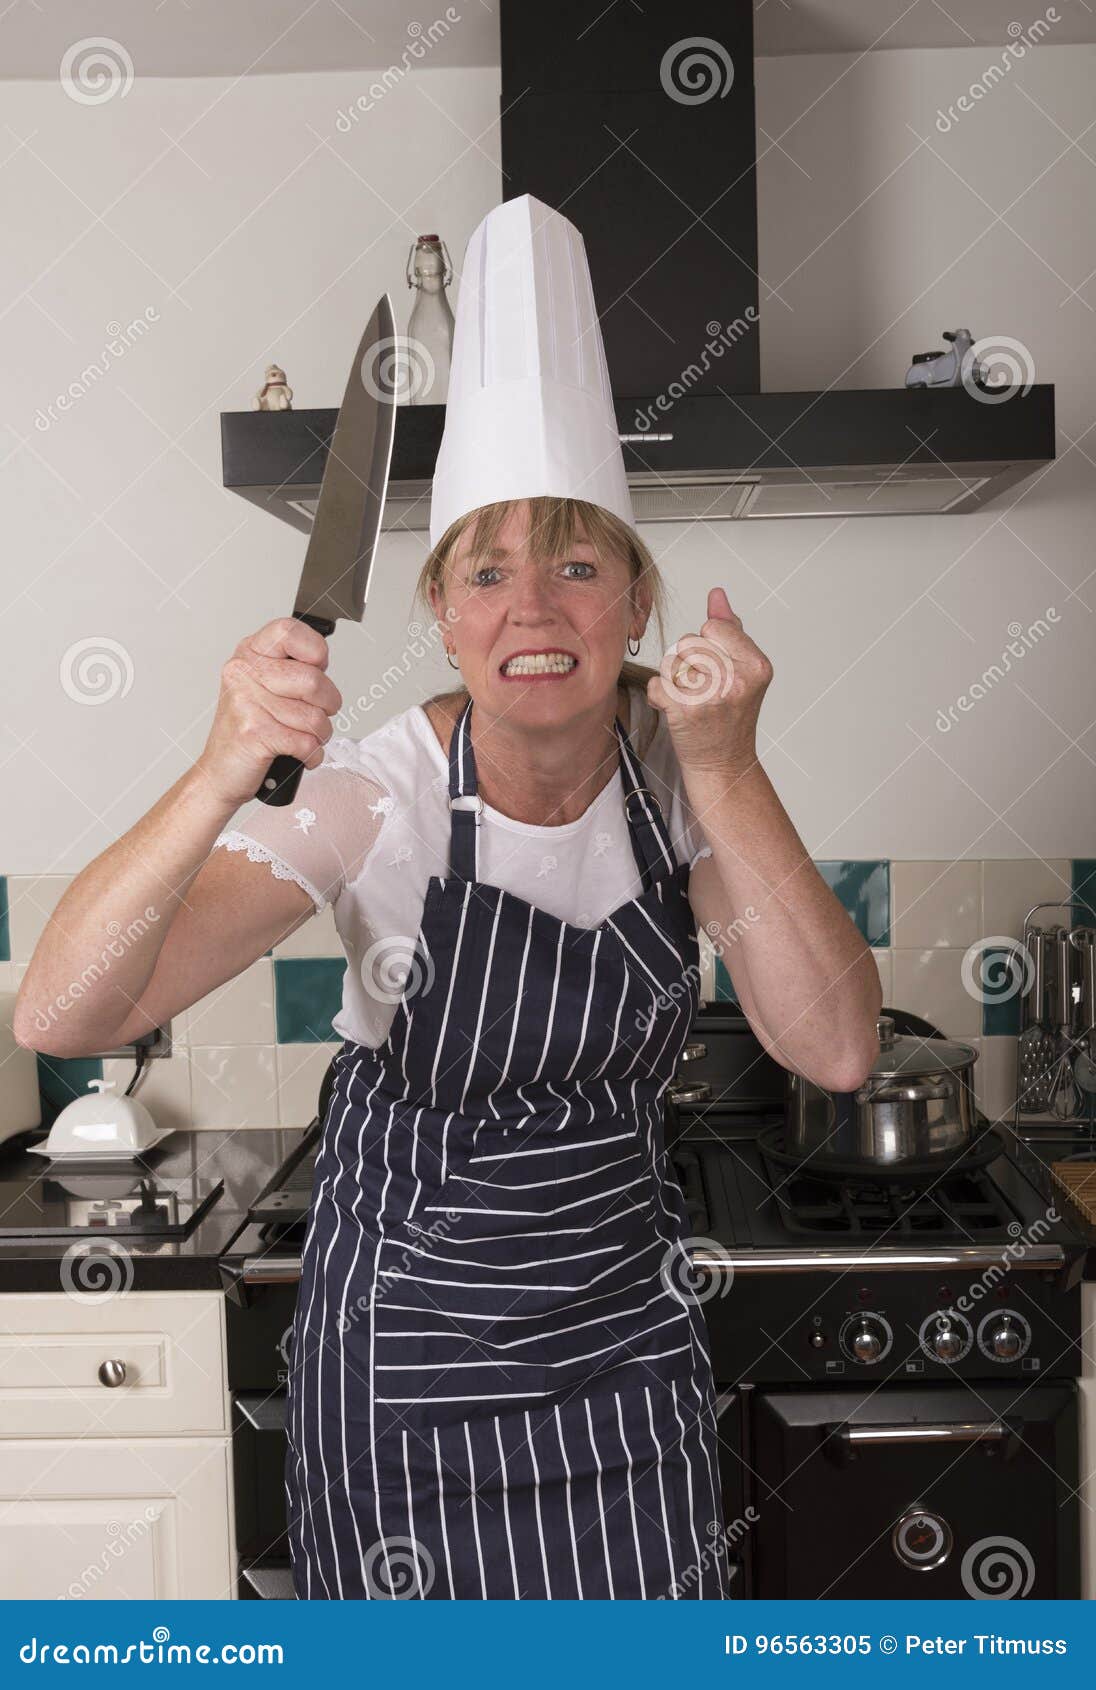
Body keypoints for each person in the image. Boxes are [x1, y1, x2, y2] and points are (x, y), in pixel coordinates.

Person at [13, 198, 881, 1602]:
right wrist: (221, 765)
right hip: (402, 1372)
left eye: (578, 564)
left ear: (637, 601)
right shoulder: (377, 793)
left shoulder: (683, 769)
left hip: (622, 1364)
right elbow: (60, 1008)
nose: (534, 606)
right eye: (489, 570)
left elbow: (836, 1047)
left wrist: (730, 766)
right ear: (444, 609)